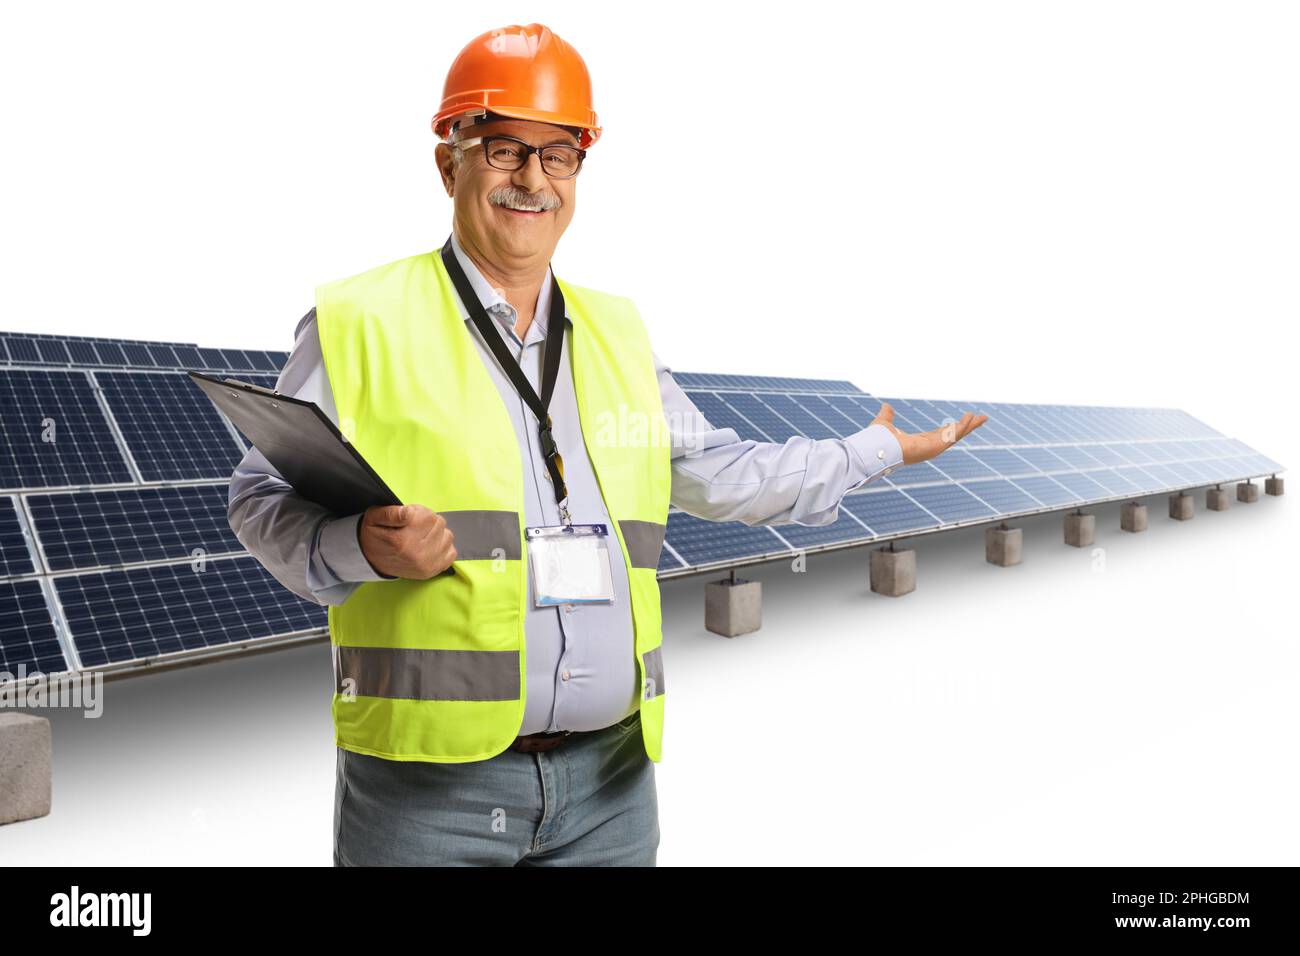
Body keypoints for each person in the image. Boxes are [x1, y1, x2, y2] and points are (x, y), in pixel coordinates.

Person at [227, 22, 987, 867]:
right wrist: (356, 545)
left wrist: (871, 450)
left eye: (559, 154)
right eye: (505, 148)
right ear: (450, 163)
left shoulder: (617, 334)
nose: (532, 179)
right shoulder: (360, 321)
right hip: (424, 795)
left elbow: (716, 473)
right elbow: (259, 499)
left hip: (612, 790)